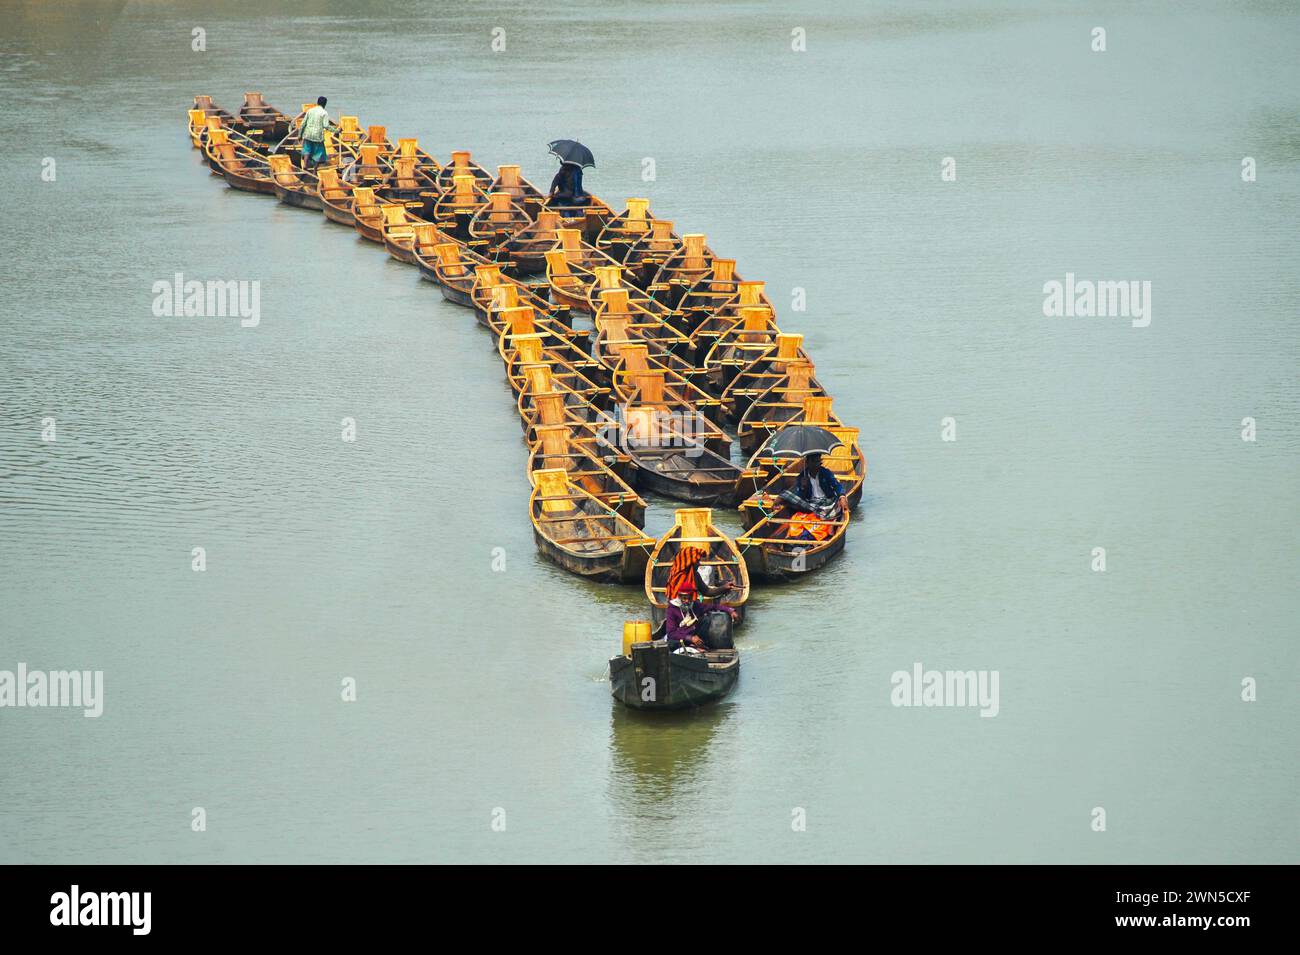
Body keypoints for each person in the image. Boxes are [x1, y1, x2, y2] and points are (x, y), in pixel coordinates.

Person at [663, 546, 738, 650]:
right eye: (697, 561)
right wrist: (689, 638)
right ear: (689, 562)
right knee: (673, 637)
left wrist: (723, 588)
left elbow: (707, 592)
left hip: (693, 612)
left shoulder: (695, 575)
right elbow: (672, 632)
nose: (699, 564)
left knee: (706, 619)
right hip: (678, 619)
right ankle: (693, 644)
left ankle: (698, 644)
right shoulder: (676, 577)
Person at [300, 96, 333, 171]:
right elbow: (326, 126)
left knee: (307, 150)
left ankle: (305, 165)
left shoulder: (310, 111)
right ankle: (315, 170)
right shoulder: (324, 113)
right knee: (318, 153)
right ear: (325, 104)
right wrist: (336, 131)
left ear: (317, 103)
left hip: (307, 134)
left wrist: (300, 135)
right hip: (317, 136)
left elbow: (303, 124)